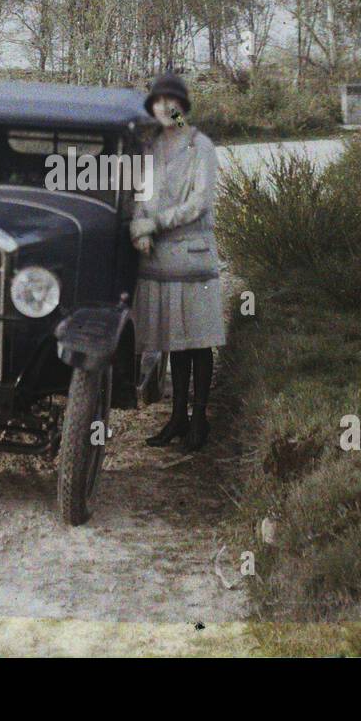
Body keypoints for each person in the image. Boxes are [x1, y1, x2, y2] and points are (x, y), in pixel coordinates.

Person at [130, 71, 227, 451]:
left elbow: (199, 202)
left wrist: (156, 222)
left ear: (183, 106)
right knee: (173, 339)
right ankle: (178, 417)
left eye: (173, 102)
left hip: (192, 255)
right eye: (158, 102)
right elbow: (142, 193)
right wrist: (140, 224)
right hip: (160, 259)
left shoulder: (199, 146)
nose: (165, 108)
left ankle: (200, 420)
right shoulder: (151, 147)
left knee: (197, 341)